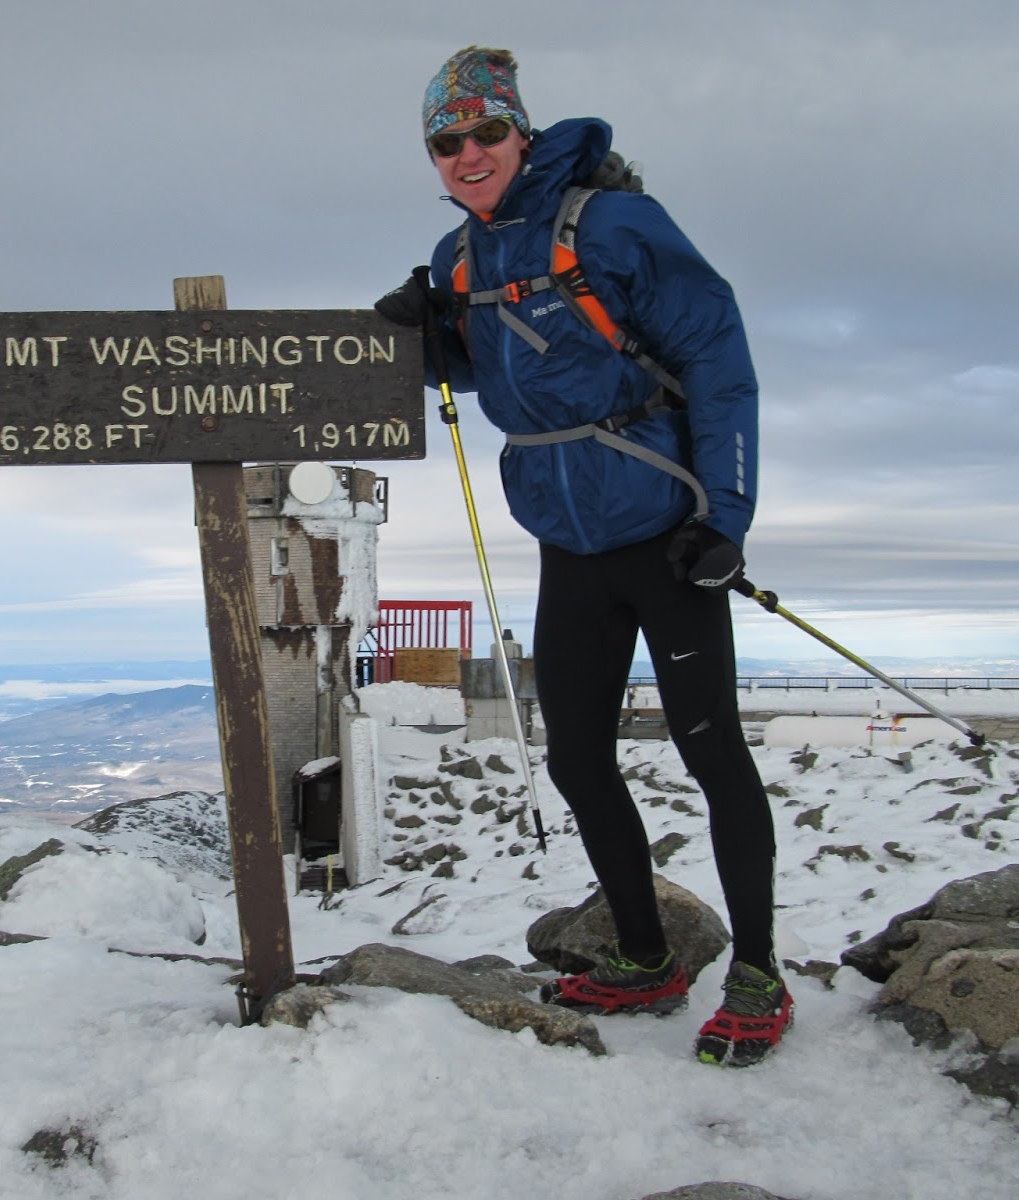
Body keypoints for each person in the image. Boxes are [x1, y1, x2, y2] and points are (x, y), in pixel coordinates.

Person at [376, 46, 792, 1067]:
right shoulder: (459, 255)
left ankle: (757, 974)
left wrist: (724, 520)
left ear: (521, 135)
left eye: (486, 132)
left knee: (709, 750)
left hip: (665, 533)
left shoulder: (613, 225)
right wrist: (426, 340)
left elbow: (717, 359)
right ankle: (646, 957)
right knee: (575, 756)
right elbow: (504, 369)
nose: (468, 154)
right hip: (567, 543)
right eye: (446, 142)